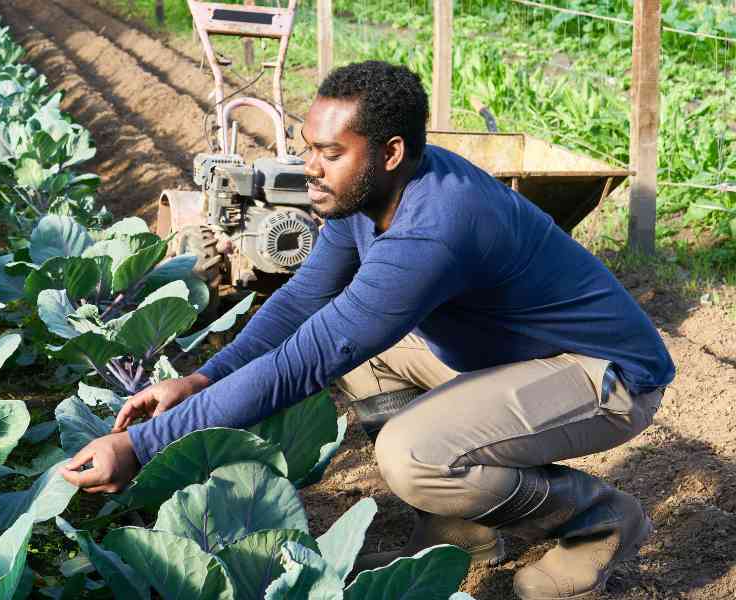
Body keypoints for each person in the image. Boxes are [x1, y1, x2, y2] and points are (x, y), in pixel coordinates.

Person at [59, 60, 674, 599]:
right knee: (368, 362)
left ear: (391, 153)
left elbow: (307, 360)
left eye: (331, 155)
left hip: (603, 375)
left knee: (411, 453)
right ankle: (462, 532)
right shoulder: (368, 198)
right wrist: (198, 380)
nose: (310, 169)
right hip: (507, 359)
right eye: (307, 149)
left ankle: (599, 519)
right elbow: (303, 298)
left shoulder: (433, 229)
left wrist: (143, 446)